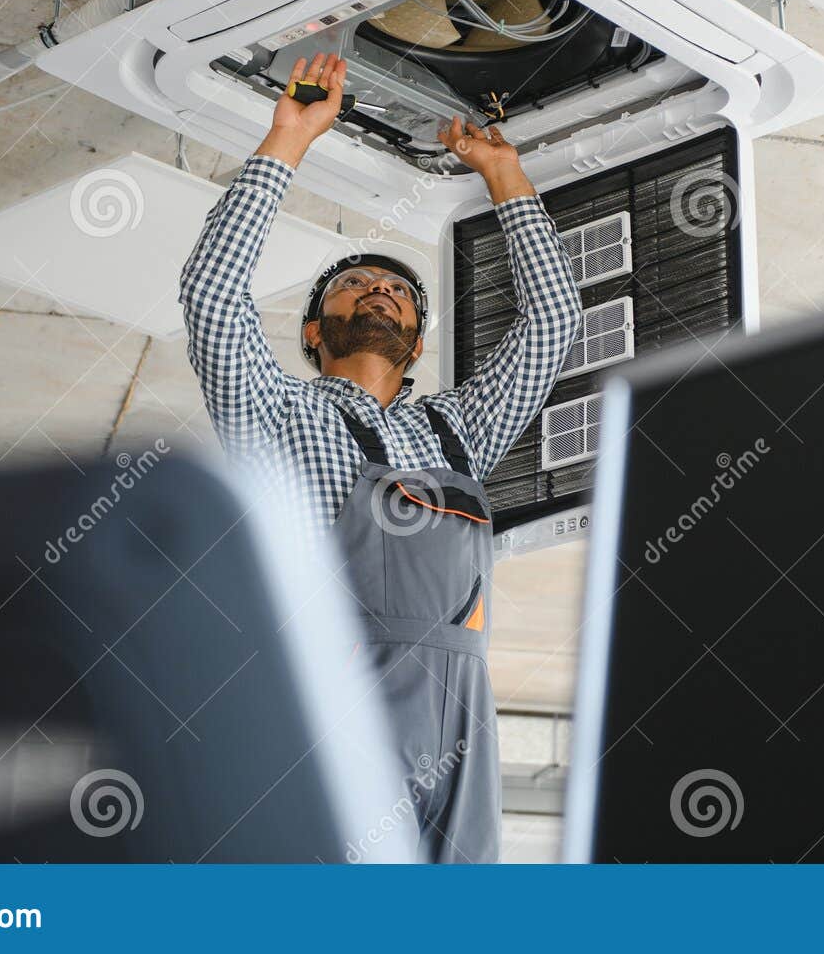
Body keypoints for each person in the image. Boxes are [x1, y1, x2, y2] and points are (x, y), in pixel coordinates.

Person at [178, 51, 583, 862]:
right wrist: (289, 138)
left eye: (398, 288)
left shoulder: (458, 428)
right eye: (354, 282)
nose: (380, 289)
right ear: (313, 331)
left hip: (461, 710)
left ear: (420, 342)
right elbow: (212, 295)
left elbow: (553, 321)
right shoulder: (275, 410)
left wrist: (504, 174)